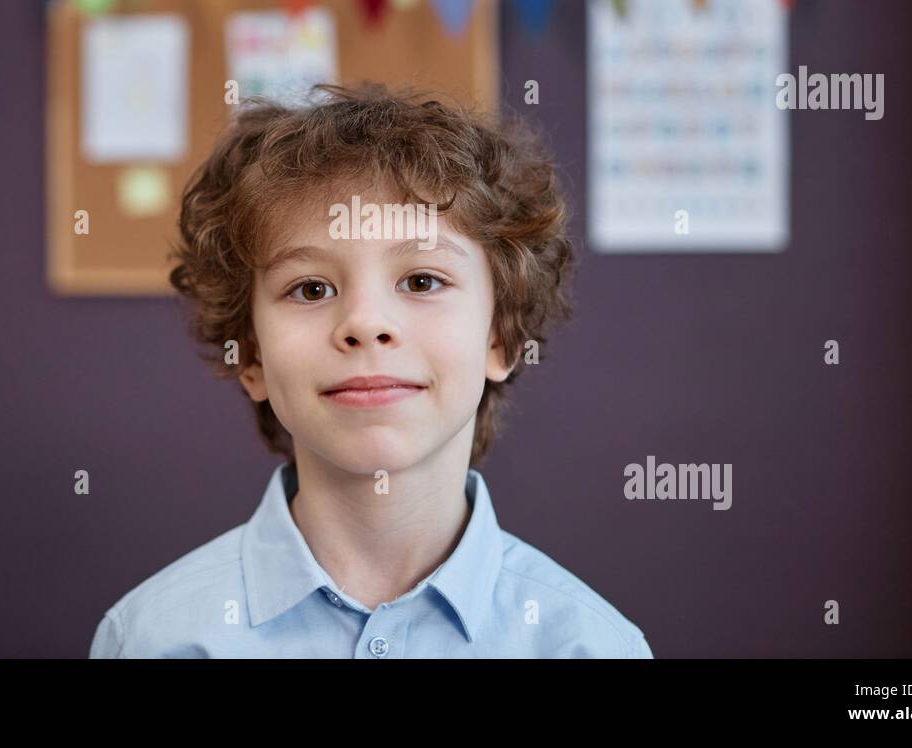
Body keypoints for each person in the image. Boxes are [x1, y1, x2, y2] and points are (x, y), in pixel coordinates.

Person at [89, 82, 652, 658]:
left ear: (502, 337)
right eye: (311, 289)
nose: (364, 323)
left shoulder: (589, 645)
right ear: (251, 355)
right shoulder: (150, 640)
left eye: (422, 281)